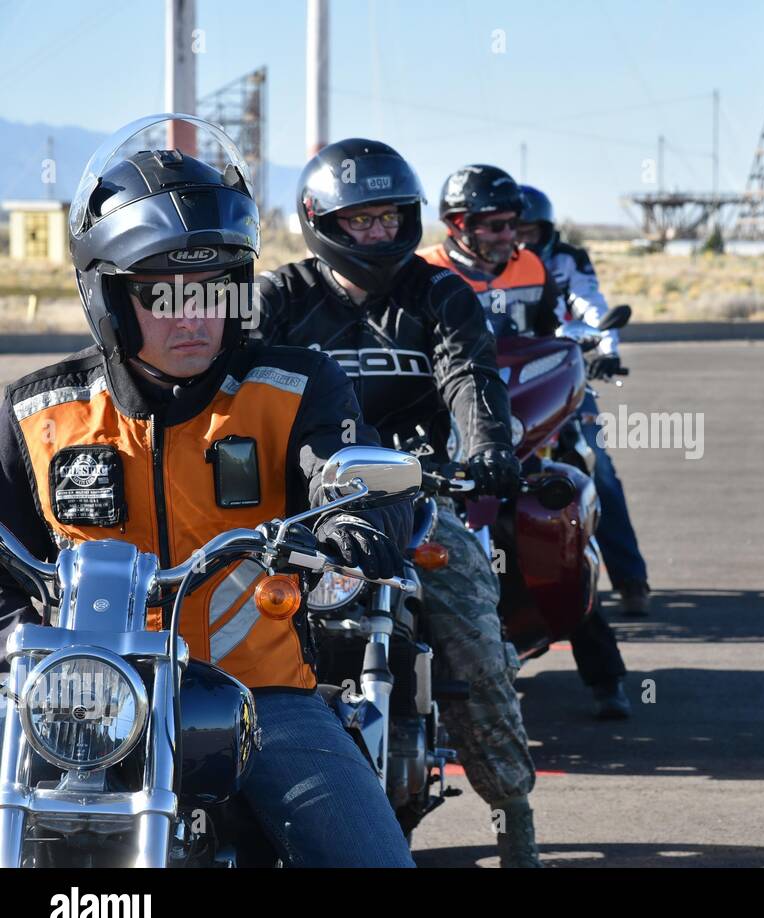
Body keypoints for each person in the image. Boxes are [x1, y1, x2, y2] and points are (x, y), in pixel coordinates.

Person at [0, 116, 414, 866]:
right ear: (108, 296)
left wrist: (358, 511)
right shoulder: (39, 414)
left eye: (212, 291)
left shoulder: (293, 387)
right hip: (74, 700)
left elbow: (345, 466)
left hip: (260, 696)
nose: (192, 316)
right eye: (161, 294)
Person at [252, 139, 544, 866]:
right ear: (321, 220)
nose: (378, 234)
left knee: (478, 638)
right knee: (230, 623)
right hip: (304, 507)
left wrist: (489, 451)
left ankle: (515, 812)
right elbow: (240, 385)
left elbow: (471, 377)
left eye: (388, 218)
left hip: (415, 494)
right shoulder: (279, 297)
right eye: (360, 221)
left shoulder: (438, 292)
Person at [418, 165, 632, 720]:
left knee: (570, 505)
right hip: (451, 426)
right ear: (458, 225)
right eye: (494, 225)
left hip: (526, 420)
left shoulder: (532, 266)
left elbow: (549, 336)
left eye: (513, 224)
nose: (508, 235)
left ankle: (607, 671)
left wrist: (583, 351)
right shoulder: (423, 273)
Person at [517, 184, 652, 617]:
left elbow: (592, 305)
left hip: (560, 374)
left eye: (528, 230)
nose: (519, 239)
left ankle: (631, 579)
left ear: (546, 230)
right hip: (504, 384)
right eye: (510, 229)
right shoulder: (486, 269)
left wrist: (607, 351)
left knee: (599, 466)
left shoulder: (567, 260)